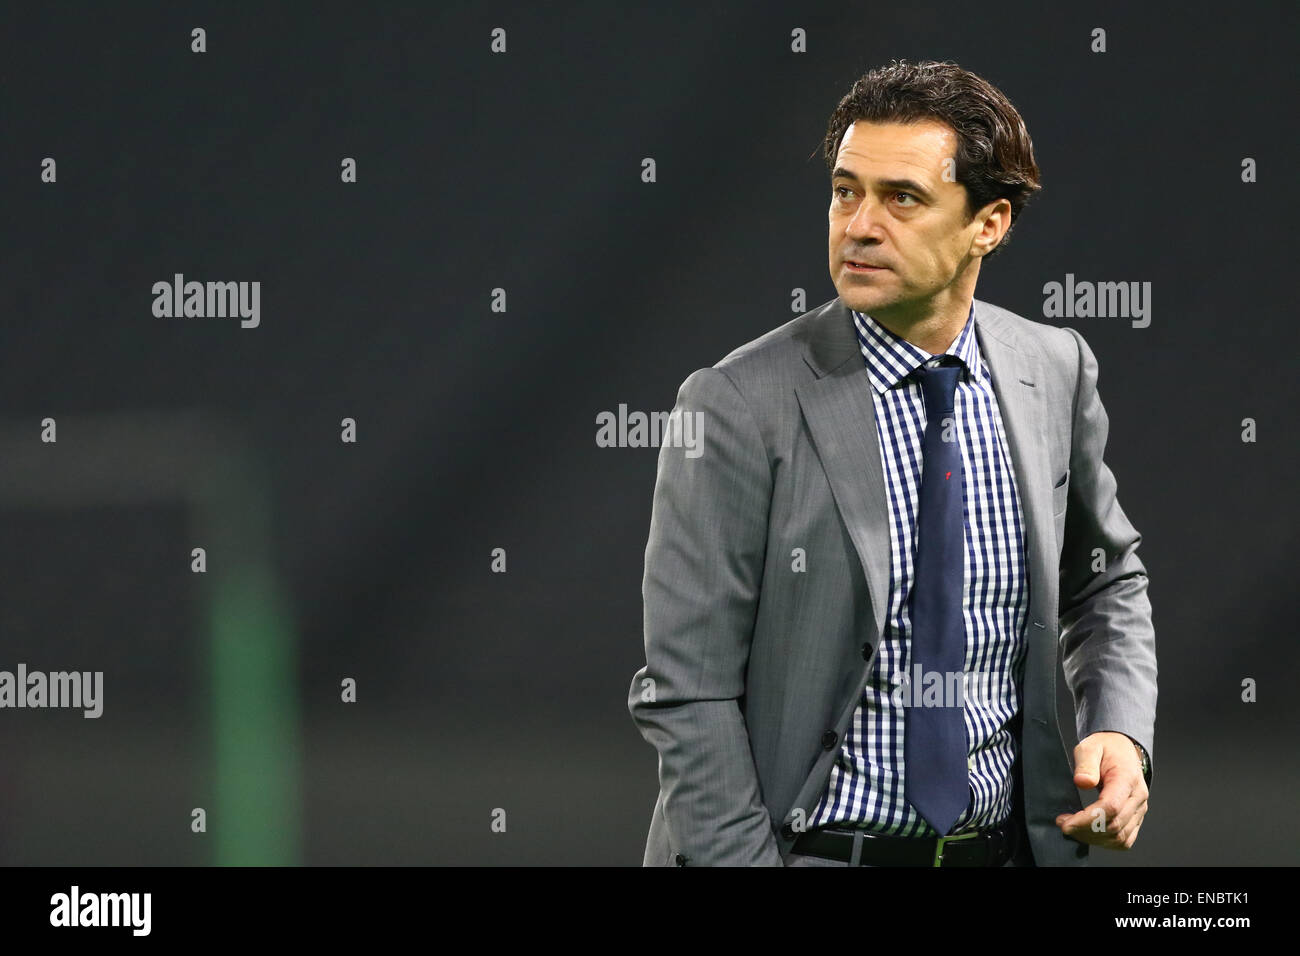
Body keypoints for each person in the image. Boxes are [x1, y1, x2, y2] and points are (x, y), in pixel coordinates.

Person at [626, 59, 1156, 867]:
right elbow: (685, 688)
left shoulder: (1053, 368)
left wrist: (1118, 729)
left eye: (901, 198)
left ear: (990, 223)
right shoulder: (736, 403)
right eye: (845, 191)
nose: (859, 225)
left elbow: (1104, 579)